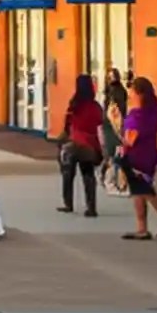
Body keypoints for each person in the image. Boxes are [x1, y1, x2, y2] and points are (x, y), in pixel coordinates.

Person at [117, 76, 157, 240]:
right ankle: (152, 224)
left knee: (141, 190)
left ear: (139, 93)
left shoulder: (137, 115)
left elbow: (131, 139)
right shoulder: (153, 111)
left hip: (137, 155)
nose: (130, 95)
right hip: (150, 153)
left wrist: (118, 131)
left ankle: (151, 225)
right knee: (143, 190)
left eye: (133, 91)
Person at [57, 74, 102, 217]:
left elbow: (67, 125)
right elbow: (101, 125)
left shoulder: (74, 104)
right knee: (88, 174)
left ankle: (68, 204)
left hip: (73, 144)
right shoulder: (96, 107)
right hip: (89, 146)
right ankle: (91, 207)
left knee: (67, 174)